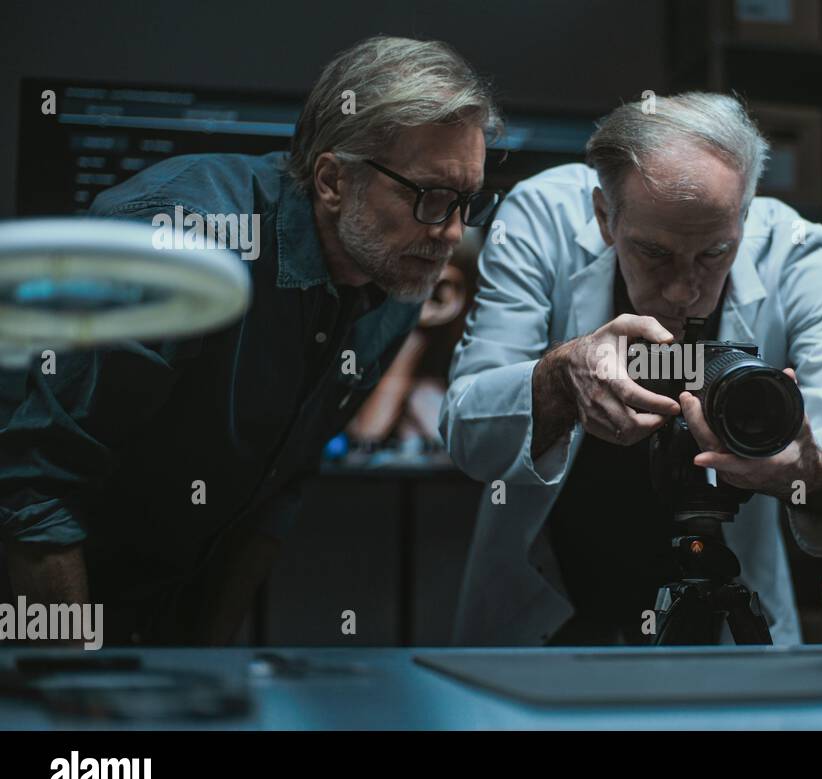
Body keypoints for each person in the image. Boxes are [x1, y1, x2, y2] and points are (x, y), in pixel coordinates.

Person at [0, 35, 501, 644]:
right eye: (428, 197)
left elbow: (276, 489)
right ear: (332, 180)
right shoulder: (181, 240)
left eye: (466, 203)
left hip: (155, 615)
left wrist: (206, 668)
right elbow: (36, 484)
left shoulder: (397, 282)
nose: (450, 232)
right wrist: (78, 693)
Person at [440, 91, 822, 646]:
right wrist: (561, 376)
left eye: (714, 254)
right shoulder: (542, 219)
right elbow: (467, 426)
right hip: (551, 602)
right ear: (605, 217)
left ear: (745, 217)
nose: (685, 293)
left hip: (723, 604)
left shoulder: (802, 254)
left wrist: (810, 471)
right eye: (654, 254)